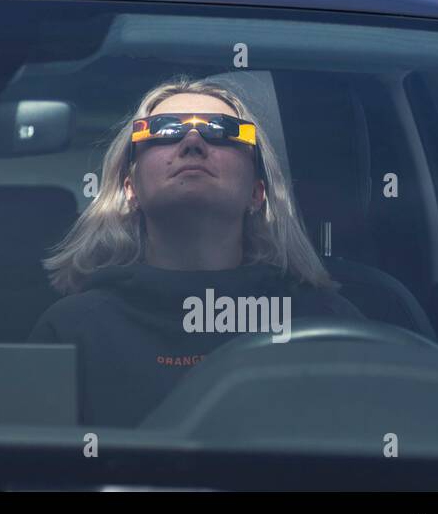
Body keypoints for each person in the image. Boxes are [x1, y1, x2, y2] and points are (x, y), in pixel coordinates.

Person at [30, 76, 361, 427]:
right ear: (130, 189)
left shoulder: (325, 322)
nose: (192, 142)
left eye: (222, 130)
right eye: (163, 130)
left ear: (257, 191)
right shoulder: (71, 329)